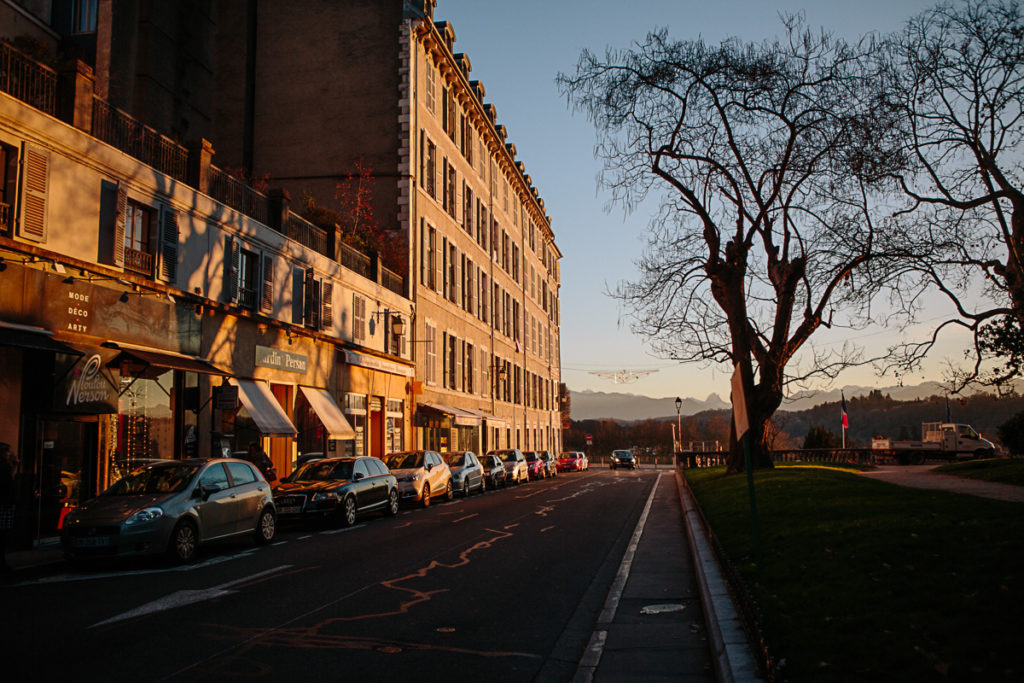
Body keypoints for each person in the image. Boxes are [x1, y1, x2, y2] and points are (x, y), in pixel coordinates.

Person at [0, 442, 17, 572]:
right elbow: (8, 482)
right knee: (3, 533)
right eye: (7, 452)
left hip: (6, 503)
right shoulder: (3, 466)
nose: (8, 454)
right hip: (4, 504)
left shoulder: (5, 466)